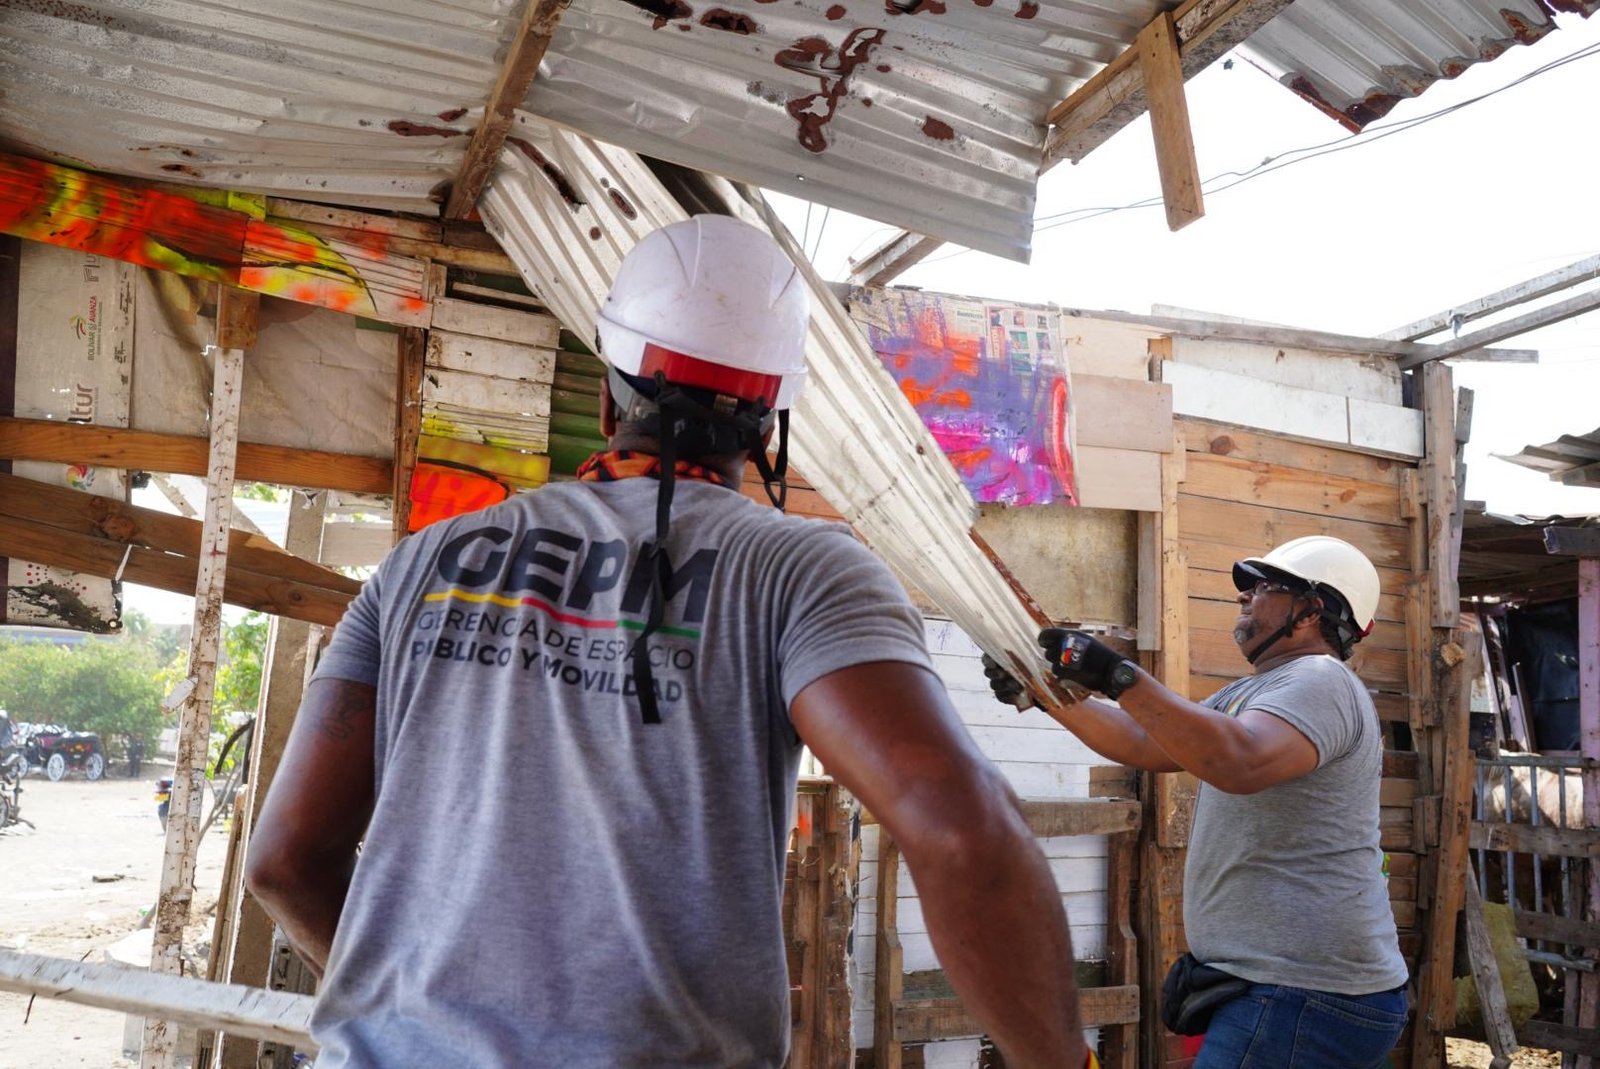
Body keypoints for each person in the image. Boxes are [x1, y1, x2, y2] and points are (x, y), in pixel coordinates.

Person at [247, 214, 1092, 1069]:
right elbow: (960, 831)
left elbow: (283, 860)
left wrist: (408, 1013)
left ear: (608, 397)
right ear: (770, 426)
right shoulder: (800, 571)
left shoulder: (419, 562)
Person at [985, 535, 1409, 1069]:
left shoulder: (1320, 680)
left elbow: (1241, 762)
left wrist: (1118, 677)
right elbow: (1147, 742)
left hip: (1303, 993)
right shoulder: (1258, 690)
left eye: (1264, 587)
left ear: (1310, 610)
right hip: (1287, 988)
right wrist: (1048, 696)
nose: (1244, 596)